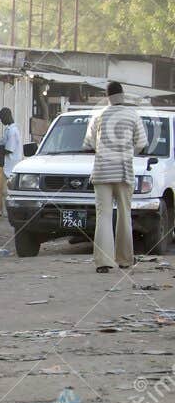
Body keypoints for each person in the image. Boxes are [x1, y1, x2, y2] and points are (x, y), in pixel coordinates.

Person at [84, 81, 147, 273]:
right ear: (123, 94)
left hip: (102, 171)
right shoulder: (133, 115)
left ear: (107, 96)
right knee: (124, 214)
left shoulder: (99, 115)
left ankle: (103, 262)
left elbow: (89, 143)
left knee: (103, 215)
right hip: (124, 171)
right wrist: (128, 152)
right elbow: (141, 143)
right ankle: (125, 259)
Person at [0, 107, 24, 176]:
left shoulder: (12, 131)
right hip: (9, 168)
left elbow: (9, 150)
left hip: (10, 169)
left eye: (1, 118)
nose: (1, 121)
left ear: (6, 116)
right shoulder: (10, 129)